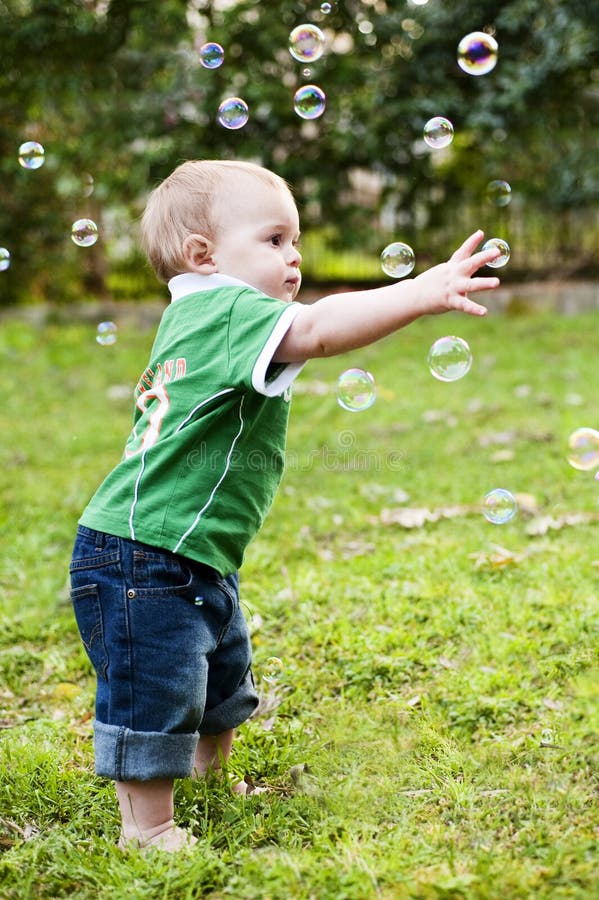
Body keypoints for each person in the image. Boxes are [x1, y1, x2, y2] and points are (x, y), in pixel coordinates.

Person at [69, 159, 501, 852]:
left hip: (178, 547)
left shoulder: (194, 314)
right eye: (273, 240)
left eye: (294, 241)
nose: (294, 256)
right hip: (142, 555)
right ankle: (146, 829)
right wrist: (419, 292)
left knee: (218, 669)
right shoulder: (225, 308)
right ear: (203, 255)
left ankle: (210, 779)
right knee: (155, 688)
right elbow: (320, 329)